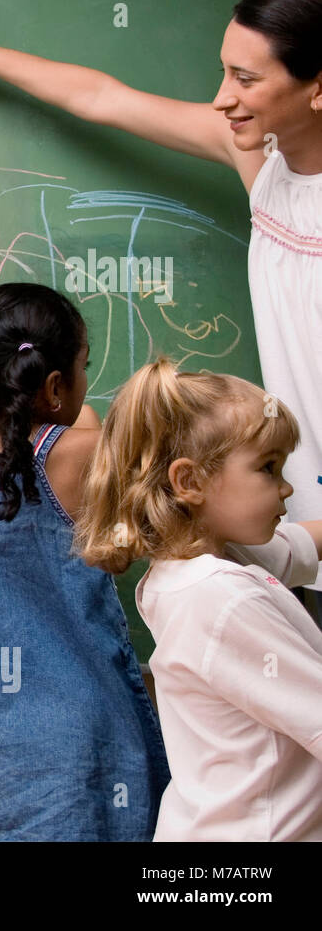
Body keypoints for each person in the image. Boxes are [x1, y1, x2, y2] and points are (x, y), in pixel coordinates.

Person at [0, 0, 322, 592]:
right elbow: (102, 97)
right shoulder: (262, 162)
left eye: (246, 80)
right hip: (287, 508)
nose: (223, 98)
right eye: (225, 72)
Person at [0, 283, 169, 840]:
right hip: (83, 724)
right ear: (51, 386)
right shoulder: (75, 453)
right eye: (82, 367)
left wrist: (59, 407)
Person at [76, 359, 322, 840]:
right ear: (189, 482)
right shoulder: (222, 597)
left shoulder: (194, 567)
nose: (287, 487)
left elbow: (296, 547)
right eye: (268, 468)